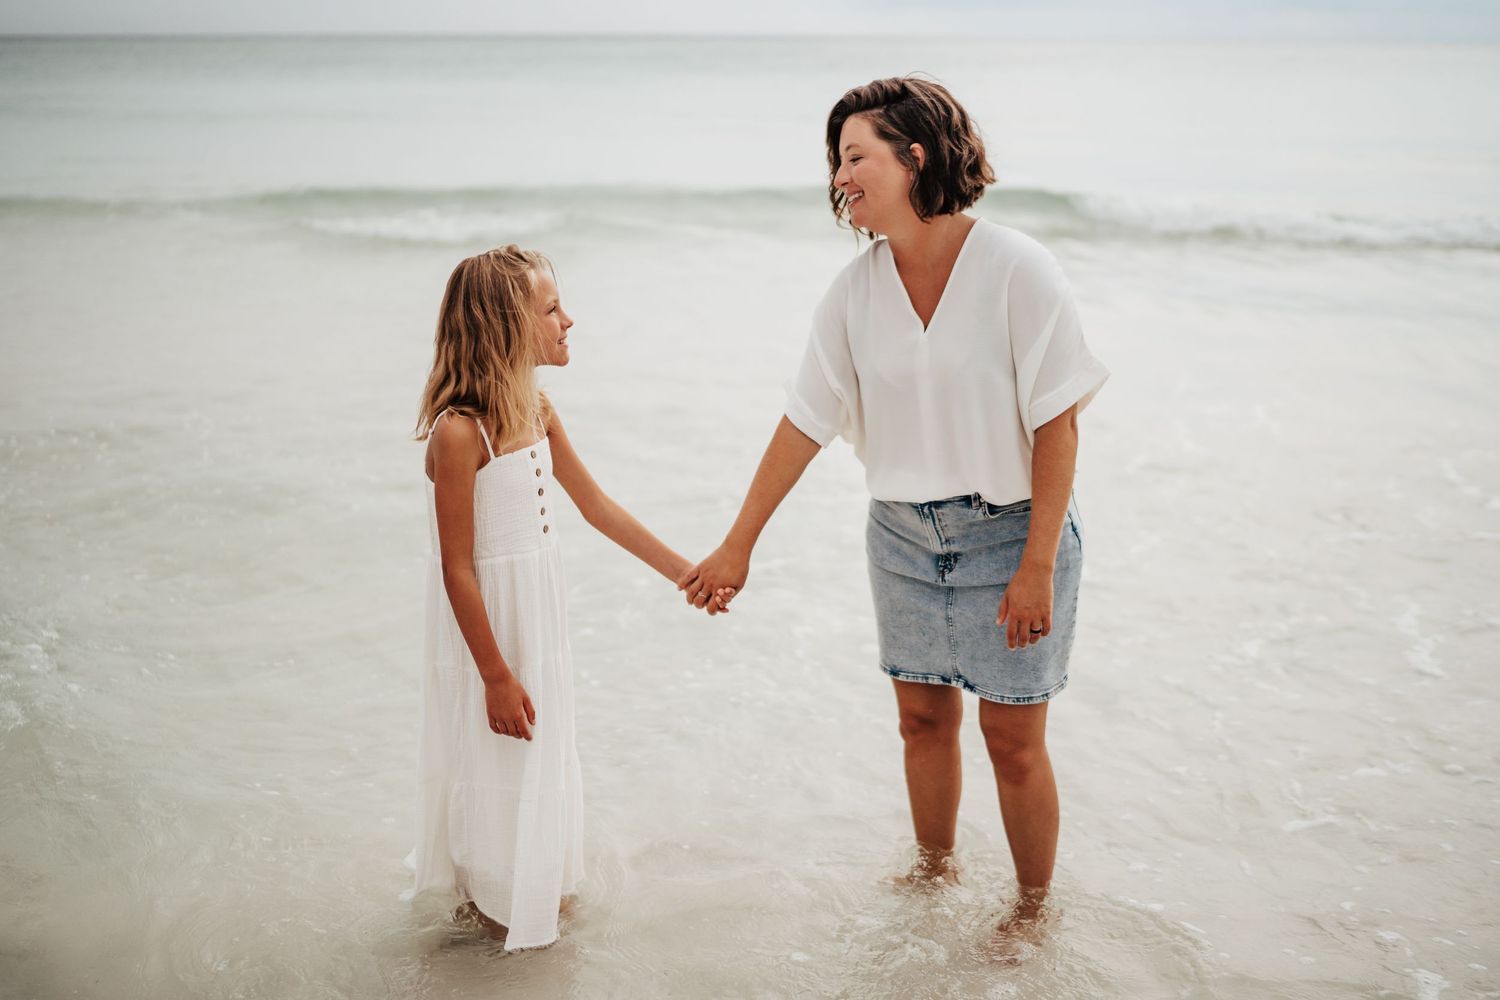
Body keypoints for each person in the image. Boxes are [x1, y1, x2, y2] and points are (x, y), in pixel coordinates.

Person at [676, 76, 1109, 953]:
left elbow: (1057, 422)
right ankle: (935, 868)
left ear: (916, 156)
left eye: (855, 157)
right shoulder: (853, 292)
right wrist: (736, 545)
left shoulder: (1016, 267)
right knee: (921, 722)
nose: (840, 178)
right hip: (903, 538)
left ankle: (1032, 911)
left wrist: (1034, 564)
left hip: (1010, 532)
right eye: (836, 162)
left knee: (1012, 739)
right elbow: (804, 423)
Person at [406, 246, 733, 951]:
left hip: (538, 629)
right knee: (494, 767)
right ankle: (492, 922)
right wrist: (494, 674)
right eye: (551, 309)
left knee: (539, 764)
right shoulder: (461, 432)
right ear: (504, 325)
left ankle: (530, 903)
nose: (568, 320)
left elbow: (599, 509)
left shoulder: (538, 407)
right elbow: (457, 570)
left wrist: (690, 574)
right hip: (490, 640)